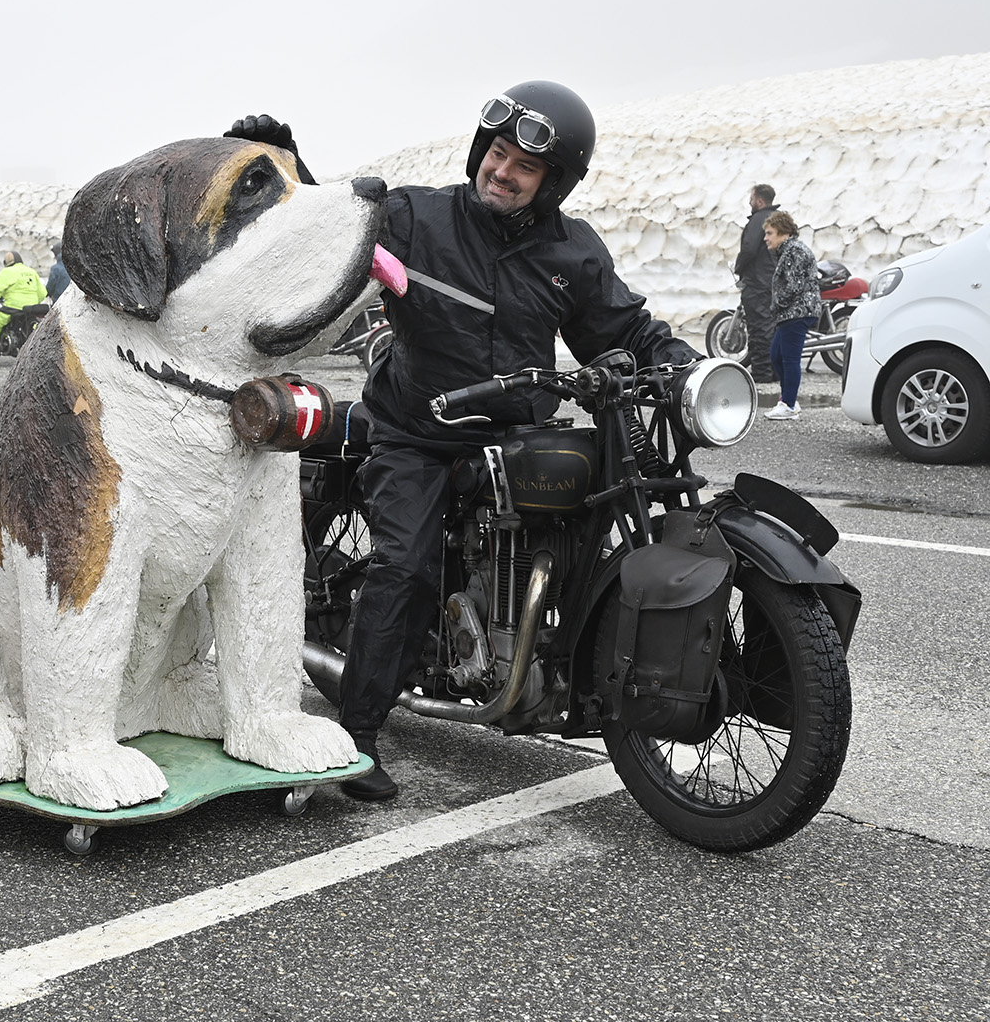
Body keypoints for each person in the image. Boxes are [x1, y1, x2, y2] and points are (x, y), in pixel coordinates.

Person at [227, 82, 698, 802]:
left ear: (552, 183)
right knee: (405, 565)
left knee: (583, 507)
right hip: (415, 432)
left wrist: (677, 363)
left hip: (514, 431)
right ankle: (356, 737)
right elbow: (330, 235)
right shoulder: (419, 218)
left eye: (523, 166)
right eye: (496, 153)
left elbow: (623, 328)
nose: (501, 171)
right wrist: (284, 166)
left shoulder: (572, 252)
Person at [761, 210, 819, 421]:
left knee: (790, 359)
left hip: (797, 311)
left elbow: (794, 286)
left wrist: (776, 305)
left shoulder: (793, 251)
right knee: (777, 355)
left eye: (770, 233)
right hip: (792, 312)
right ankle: (788, 399)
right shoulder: (789, 249)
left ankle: (788, 404)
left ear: (783, 232)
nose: (766, 238)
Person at [734, 184, 781, 382]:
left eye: (751, 199)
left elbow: (749, 249)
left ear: (759, 201)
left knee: (759, 328)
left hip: (757, 282)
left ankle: (762, 374)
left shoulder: (758, 221)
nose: (749, 202)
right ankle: (776, 372)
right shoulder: (779, 220)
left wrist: (739, 268)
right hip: (774, 282)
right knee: (774, 327)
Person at [0, 250, 46, 368]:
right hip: (31, 308)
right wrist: (31, 301)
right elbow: (43, 293)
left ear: (6, 262)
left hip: (13, 307)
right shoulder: (31, 272)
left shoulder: (7, 272)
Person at [45, 241, 71, 305]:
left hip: (59, 301)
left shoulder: (56, 268)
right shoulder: (73, 266)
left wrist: (47, 293)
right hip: (72, 300)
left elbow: (50, 286)